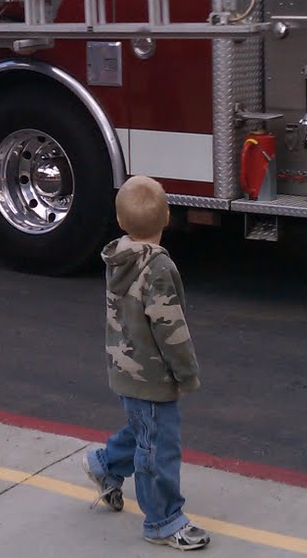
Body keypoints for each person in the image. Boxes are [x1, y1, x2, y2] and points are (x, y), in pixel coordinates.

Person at [82, 176, 209, 551]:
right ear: (168, 217)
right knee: (159, 448)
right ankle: (163, 520)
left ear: (120, 222)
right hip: (153, 375)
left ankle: (105, 465)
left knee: (145, 432)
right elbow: (171, 329)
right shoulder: (157, 269)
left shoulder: (118, 256)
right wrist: (186, 374)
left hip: (124, 369)